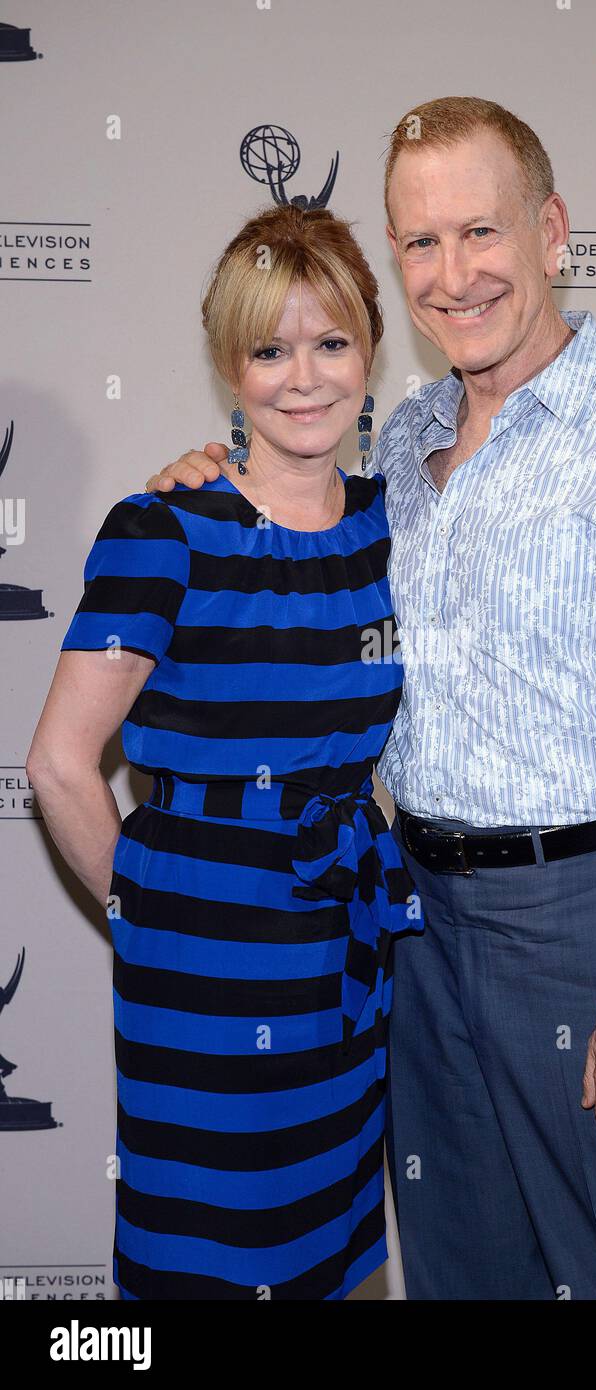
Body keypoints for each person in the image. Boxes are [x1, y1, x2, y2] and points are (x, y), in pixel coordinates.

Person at [144, 96, 596, 1300]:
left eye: (478, 233)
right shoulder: (403, 451)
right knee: (465, 1272)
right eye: (418, 243)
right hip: (415, 926)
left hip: (593, 933)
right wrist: (204, 474)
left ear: (550, 232)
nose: (452, 274)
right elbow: (287, 530)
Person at [26, 203, 422, 1301]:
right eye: (268, 349)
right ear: (227, 365)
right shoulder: (164, 530)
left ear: (371, 348)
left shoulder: (396, 526)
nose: (303, 377)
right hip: (200, 966)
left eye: (330, 342)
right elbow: (60, 764)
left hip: (345, 945)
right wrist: (150, 910)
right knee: (206, 1244)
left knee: (332, 1241)